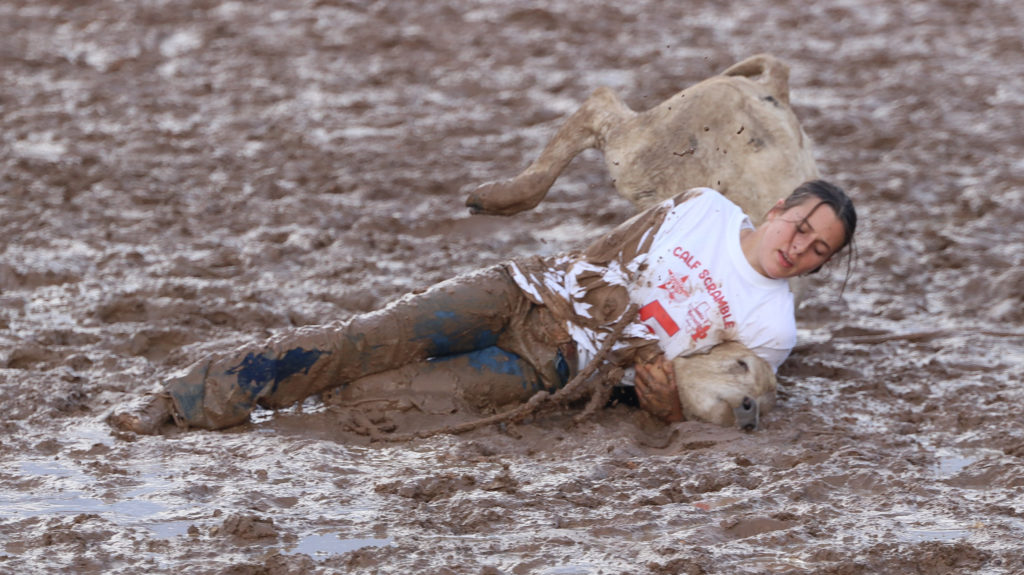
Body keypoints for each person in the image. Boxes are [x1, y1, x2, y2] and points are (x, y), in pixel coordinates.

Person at [110, 180, 856, 434]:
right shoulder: (703, 207)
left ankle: (261, 426)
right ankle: (183, 401)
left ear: (819, 265)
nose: (800, 246)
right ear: (776, 206)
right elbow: (606, 248)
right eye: (802, 224)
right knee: (368, 339)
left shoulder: (772, 328)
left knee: (390, 399)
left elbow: (707, 398)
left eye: (819, 248)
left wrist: (656, 404)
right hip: (522, 289)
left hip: (554, 364)